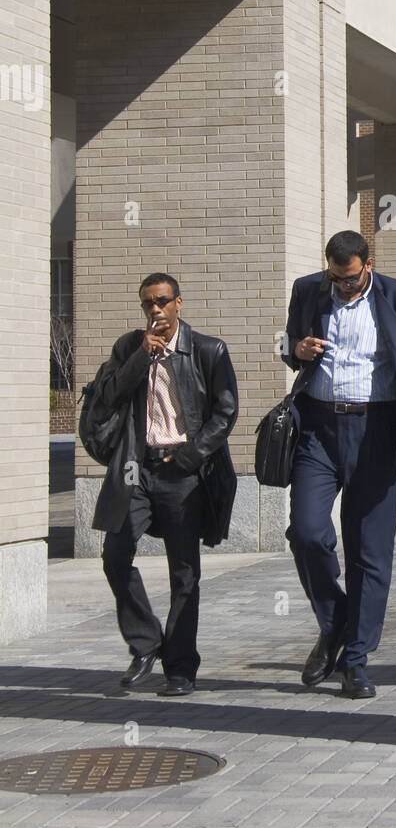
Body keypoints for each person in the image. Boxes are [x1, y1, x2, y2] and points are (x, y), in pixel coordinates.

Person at [281, 230, 396, 699]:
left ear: (368, 264)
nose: (342, 286)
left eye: (351, 278)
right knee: (307, 531)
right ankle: (335, 619)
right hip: (318, 429)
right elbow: (288, 341)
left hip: (376, 432)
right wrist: (295, 350)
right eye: (336, 278)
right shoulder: (308, 290)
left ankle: (355, 660)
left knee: (370, 553)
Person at [92, 274, 238, 695]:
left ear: (178, 303)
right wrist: (141, 355)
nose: (154, 310)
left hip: (182, 471)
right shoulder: (128, 347)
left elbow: (225, 412)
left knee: (184, 573)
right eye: (147, 304)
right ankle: (146, 643)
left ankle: (180, 667)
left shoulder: (208, 350)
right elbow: (111, 396)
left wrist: (192, 455)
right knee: (115, 555)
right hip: (135, 468)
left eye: (161, 302)